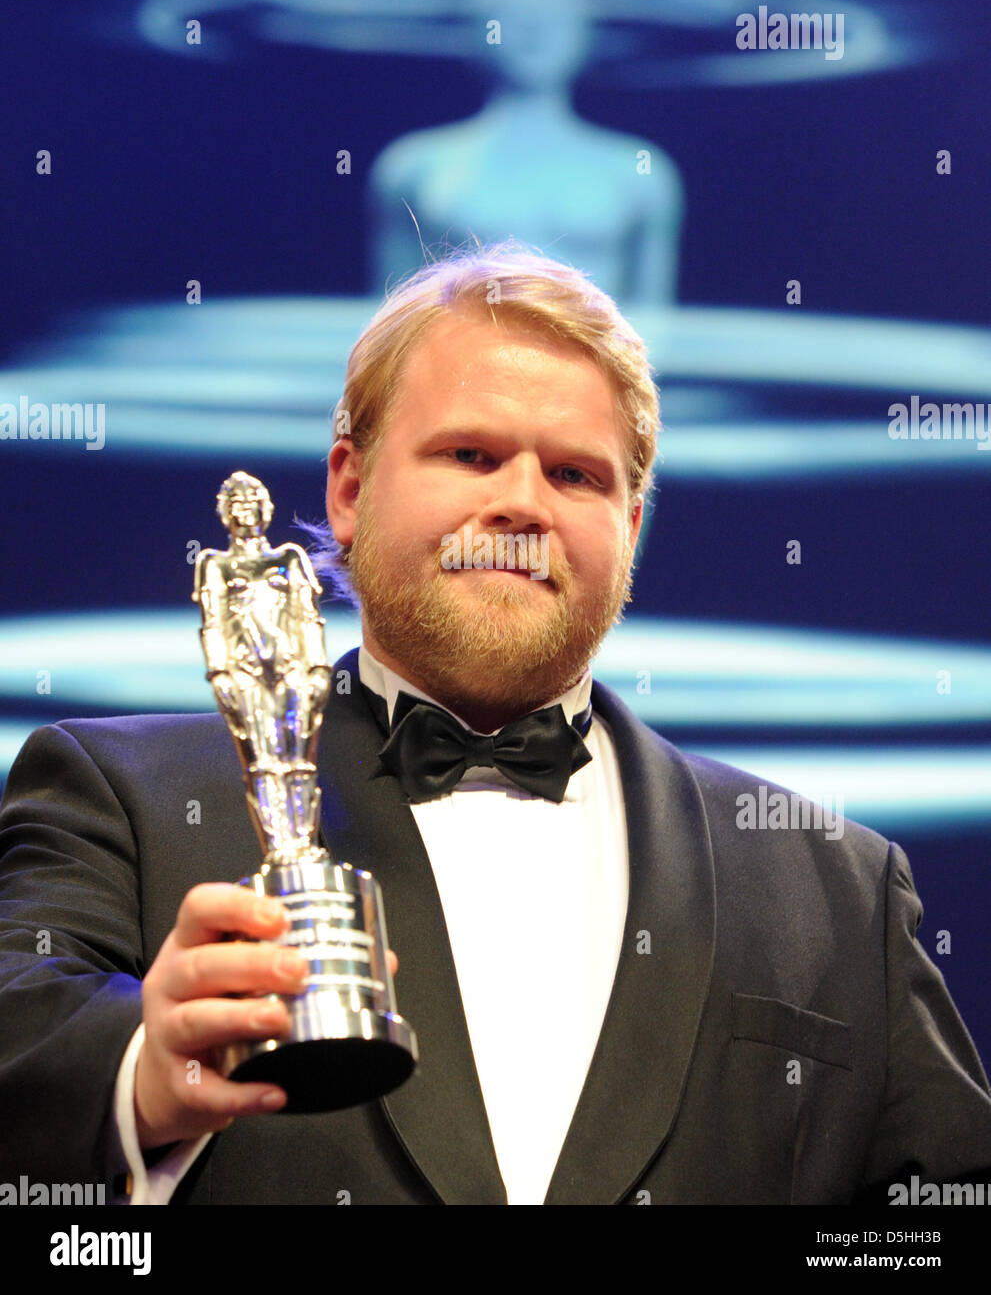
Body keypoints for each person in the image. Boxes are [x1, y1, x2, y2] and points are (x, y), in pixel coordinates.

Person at [1, 244, 990, 1206]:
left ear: (631, 528)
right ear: (348, 489)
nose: (520, 502)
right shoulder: (122, 798)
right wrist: (141, 1077)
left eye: (575, 475)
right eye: (471, 454)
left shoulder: (836, 881)